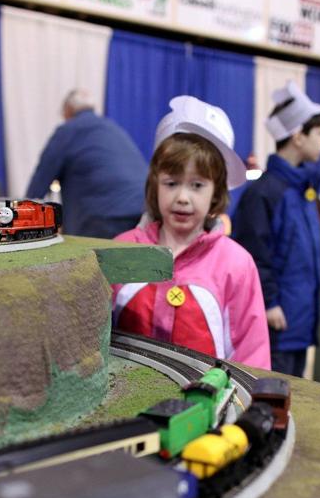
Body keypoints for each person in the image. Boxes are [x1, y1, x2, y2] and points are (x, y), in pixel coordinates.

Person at [111, 96, 270, 369]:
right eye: (171, 183)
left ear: (216, 191)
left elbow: (252, 353)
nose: (183, 197)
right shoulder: (122, 251)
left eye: (197, 185)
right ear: (155, 185)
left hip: (205, 407)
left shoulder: (236, 264)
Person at [231, 81, 320, 377]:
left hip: (299, 322)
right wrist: (270, 302)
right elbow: (252, 254)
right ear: (298, 137)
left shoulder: (302, 189)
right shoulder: (263, 193)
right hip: (276, 325)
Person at [25, 88, 147, 238]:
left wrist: (23, 213)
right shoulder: (112, 127)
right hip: (142, 212)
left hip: (102, 217)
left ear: (68, 111)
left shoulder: (67, 131)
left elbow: (40, 181)